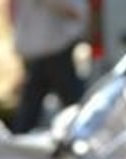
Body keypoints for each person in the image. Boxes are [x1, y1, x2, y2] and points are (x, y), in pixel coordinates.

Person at [10, 0, 87, 133]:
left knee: (31, 104)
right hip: (51, 48)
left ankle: (19, 134)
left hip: (46, 47)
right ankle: (85, 131)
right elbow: (69, 8)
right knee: (72, 100)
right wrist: (77, 11)